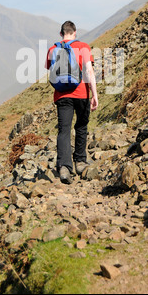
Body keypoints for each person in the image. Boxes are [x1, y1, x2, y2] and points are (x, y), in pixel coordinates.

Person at [45, 20, 98, 184]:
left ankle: (64, 168)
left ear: (61, 34)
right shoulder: (83, 46)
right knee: (81, 126)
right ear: (75, 33)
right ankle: (80, 162)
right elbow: (89, 71)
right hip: (81, 93)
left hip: (62, 95)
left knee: (64, 130)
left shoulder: (53, 49)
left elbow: (50, 69)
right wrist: (95, 94)